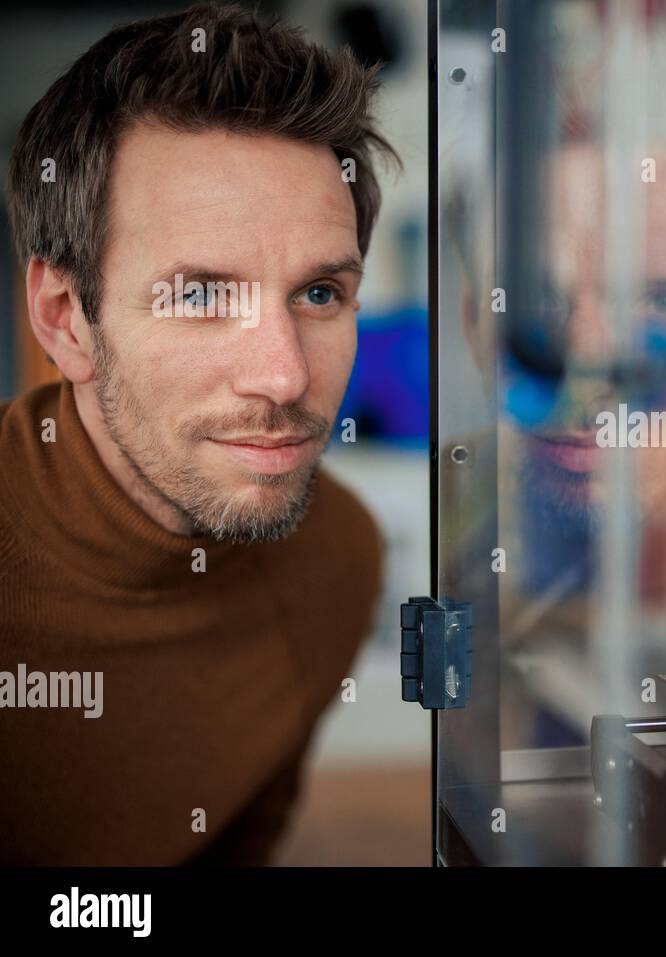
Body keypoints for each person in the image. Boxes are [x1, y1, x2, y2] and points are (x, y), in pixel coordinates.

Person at [0, 2, 398, 864]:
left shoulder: (340, 555)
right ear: (65, 318)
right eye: (202, 295)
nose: (285, 376)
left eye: (320, 294)